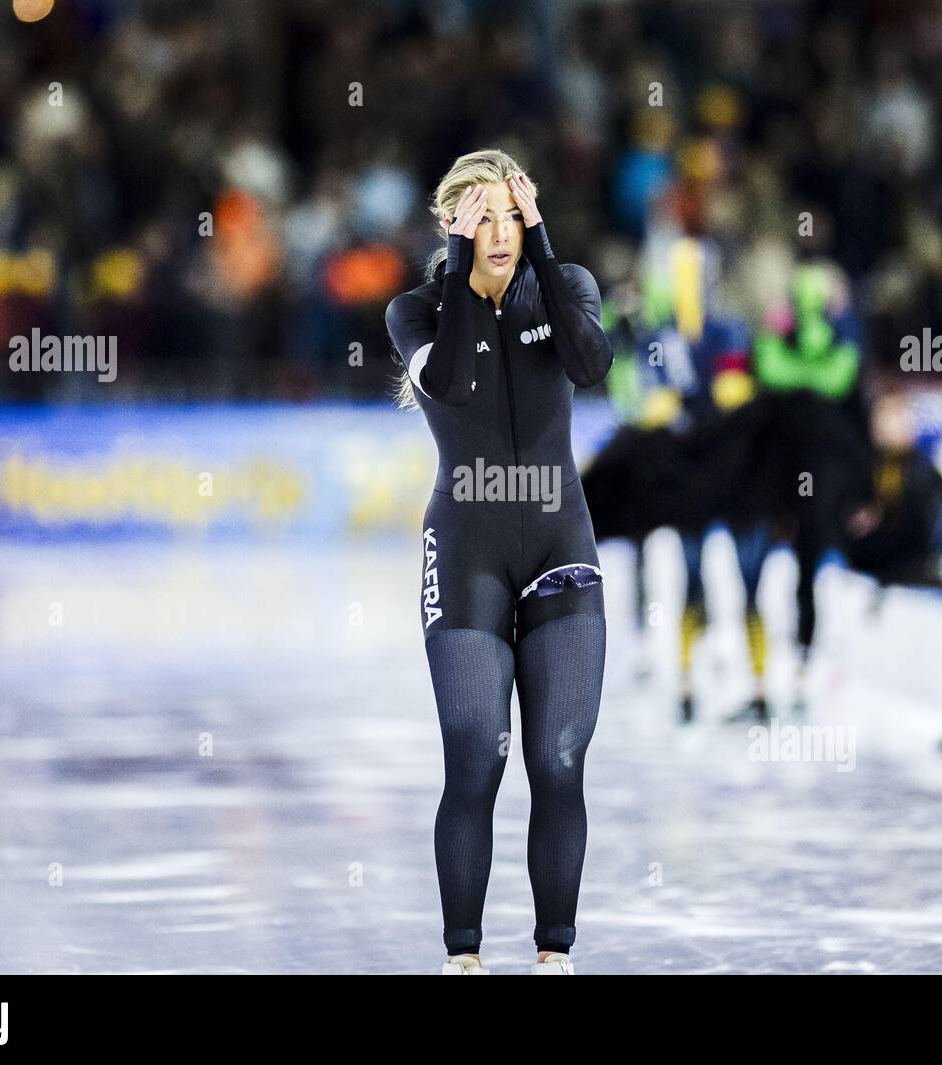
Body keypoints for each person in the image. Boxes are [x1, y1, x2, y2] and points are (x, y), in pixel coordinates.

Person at [384, 149, 613, 975]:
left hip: (561, 545)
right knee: (477, 754)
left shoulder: (567, 284)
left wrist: (545, 246)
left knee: (558, 758)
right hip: (468, 550)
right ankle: (464, 956)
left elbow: (592, 364)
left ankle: (555, 954)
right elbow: (446, 381)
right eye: (480, 217)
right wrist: (456, 273)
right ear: (452, 226)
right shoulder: (414, 312)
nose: (500, 232)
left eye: (511, 215)